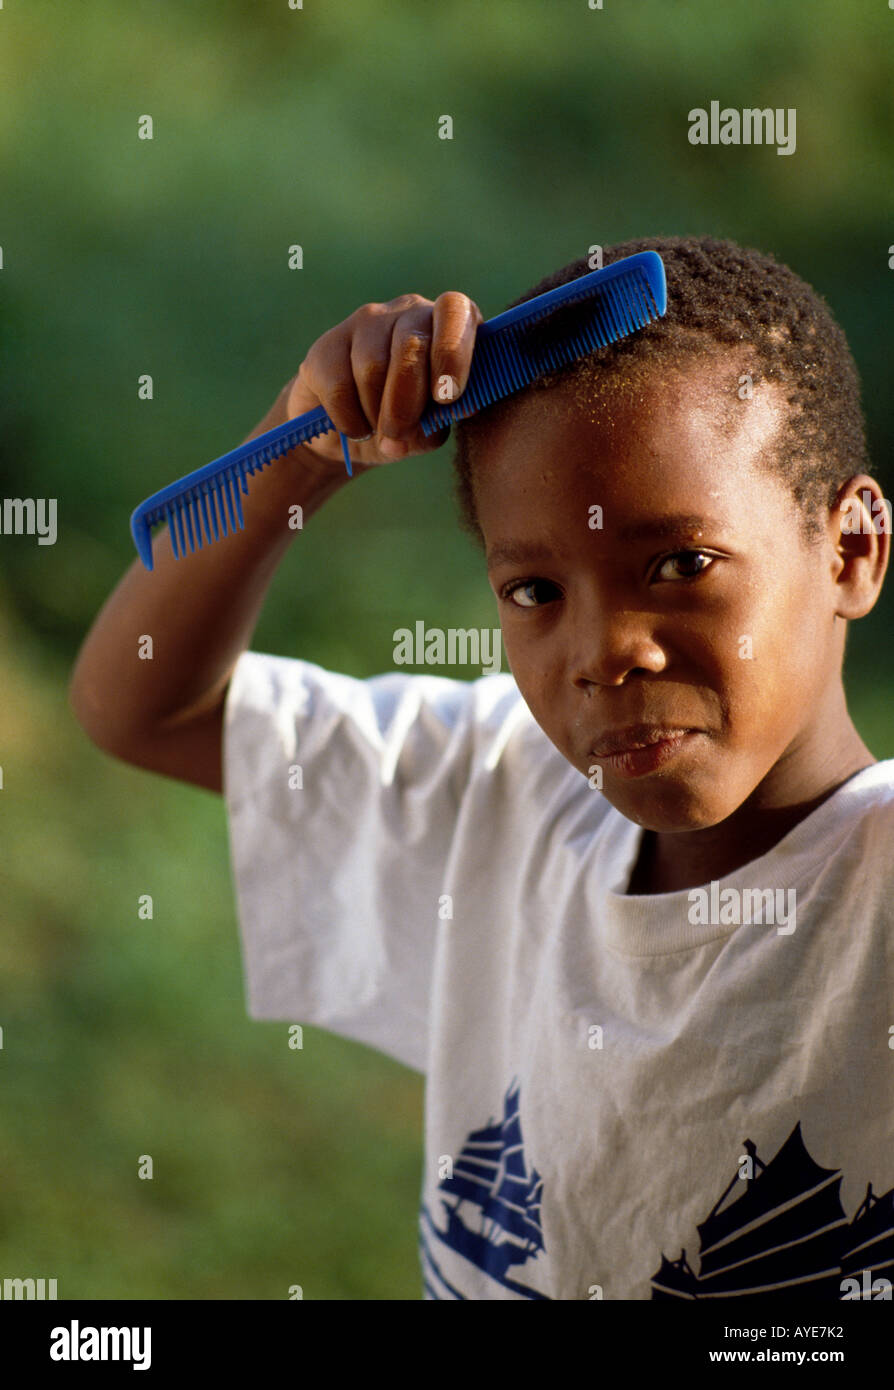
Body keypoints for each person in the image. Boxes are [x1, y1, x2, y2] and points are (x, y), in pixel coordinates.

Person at [69, 235, 894, 1300]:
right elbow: (141, 702)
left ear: (851, 551)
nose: (605, 651)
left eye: (682, 564)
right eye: (536, 592)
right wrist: (304, 443)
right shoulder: (501, 790)